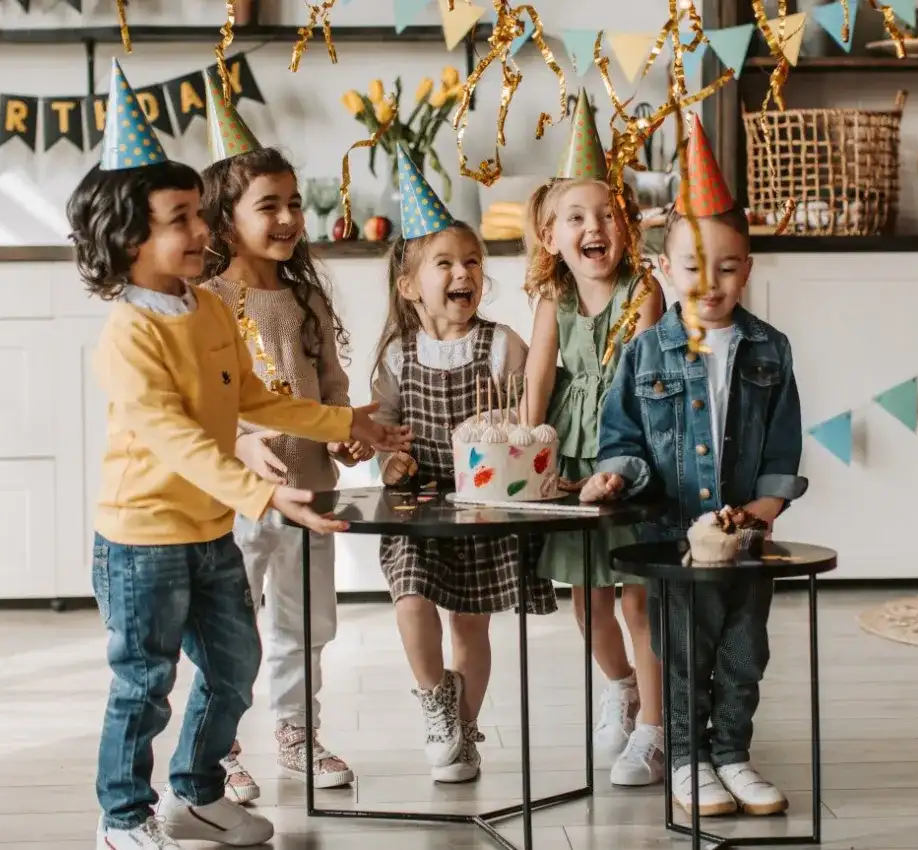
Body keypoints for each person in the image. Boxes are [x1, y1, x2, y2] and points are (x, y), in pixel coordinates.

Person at [74, 61, 411, 850]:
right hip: (142, 540)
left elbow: (251, 396)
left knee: (234, 665)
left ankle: (196, 794)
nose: (202, 231)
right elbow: (174, 435)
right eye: (182, 219)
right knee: (144, 683)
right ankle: (122, 817)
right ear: (129, 238)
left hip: (206, 531)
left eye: (199, 214)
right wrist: (263, 494)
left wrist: (343, 420)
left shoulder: (204, 308)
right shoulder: (130, 333)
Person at [578, 115, 807, 818]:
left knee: (744, 652)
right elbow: (623, 435)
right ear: (665, 268)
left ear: (748, 268)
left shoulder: (769, 349)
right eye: (694, 268)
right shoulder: (645, 351)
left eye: (728, 268)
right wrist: (617, 474)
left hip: (745, 543)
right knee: (680, 653)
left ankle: (731, 753)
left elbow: (782, 444)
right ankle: (686, 759)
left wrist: (766, 506)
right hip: (673, 539)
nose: (710, 282)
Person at [197, 75, 366, 800]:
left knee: (307, 622)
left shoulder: (304, 297)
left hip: (312, 489)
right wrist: (239, 441)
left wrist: (346, 435)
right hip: (236, 497)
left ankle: (297, 734)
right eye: (268, 205)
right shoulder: (205, 302)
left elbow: (330, 386)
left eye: (294, 202)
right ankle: (219, 749)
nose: (290, 216)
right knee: (229, 626)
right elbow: (203, 401)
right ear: (223, 220)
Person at [371, 146, 557, 783]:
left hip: (483, 505)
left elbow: (527, 420)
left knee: (470, 625)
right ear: (410, 287)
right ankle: (435, 701)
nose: (463, 273)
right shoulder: (397, 354)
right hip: (418, 505)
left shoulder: (502, 345)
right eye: (445, 263)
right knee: (409, 594)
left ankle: (464, 729)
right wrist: (389, 461)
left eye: (472, 262)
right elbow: (383, 428)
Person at [523, 89, 666, 786]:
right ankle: (621, 686)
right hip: (569, 463)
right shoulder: (553, 298)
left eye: (607, 214)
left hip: (628, 457)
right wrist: (528, 452)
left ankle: (655, 729)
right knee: (585, 598)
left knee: (638, 597)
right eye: (576, 217)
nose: (594, 227)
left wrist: (624, 463)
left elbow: (644, 382)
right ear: (551, 235)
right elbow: (537, 377)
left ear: (627, 226)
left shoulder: (644, 293)